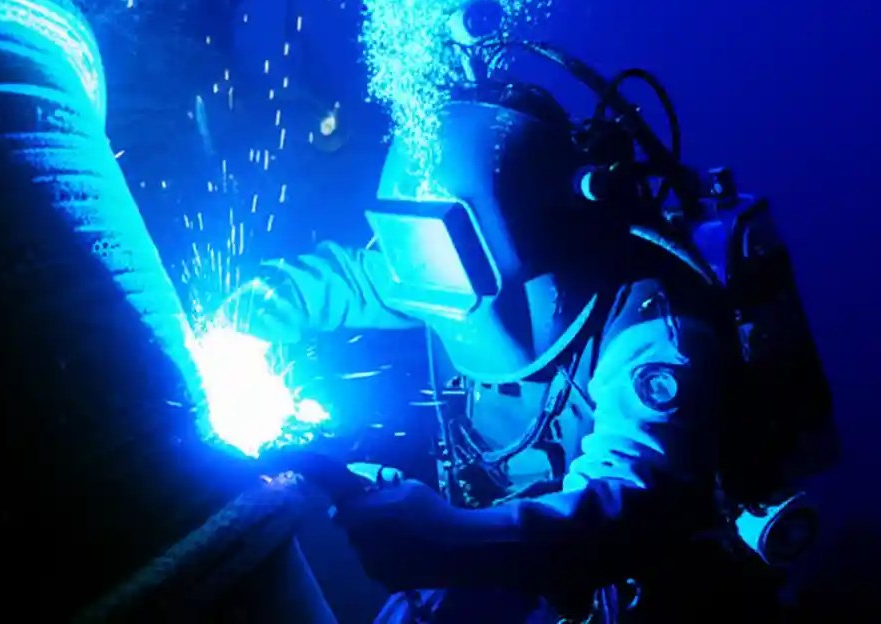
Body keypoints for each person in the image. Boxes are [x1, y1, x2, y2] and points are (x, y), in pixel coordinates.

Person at [220, 79, 785, 622]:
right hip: (508, 545)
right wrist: (252, 314)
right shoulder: (438, 263)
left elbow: (633, 503)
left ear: (524, 235)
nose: (420, 283)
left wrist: (449, 536)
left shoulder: (652, 322)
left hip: (646, 585)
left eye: (439, 256)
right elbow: (353, 279)